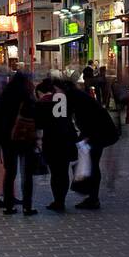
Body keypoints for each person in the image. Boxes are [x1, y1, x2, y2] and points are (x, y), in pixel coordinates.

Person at [69, 75, 119, 210]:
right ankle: (92, 196)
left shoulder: (77, 100)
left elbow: (88, 120)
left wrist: (86, 137)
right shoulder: (79, 97)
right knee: (92, 163)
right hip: (98, 133)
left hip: (98, 133)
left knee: (92, 163)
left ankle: (92, 197)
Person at [0, 71, 39, 215]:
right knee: (27, 173)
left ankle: (8, 206)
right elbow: (34, 118)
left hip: (7, 139)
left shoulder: (4, 97)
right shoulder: (27, 98)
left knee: (10, 173)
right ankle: (27, 206)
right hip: (25, 138)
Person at [36, 78, 80, 212]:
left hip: (52, 140)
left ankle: (58, 201)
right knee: (63, 171)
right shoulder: (65, 99)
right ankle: (62, 199)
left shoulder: (44, 101)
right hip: (67, 138)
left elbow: (39, 123)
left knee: (55, 173)